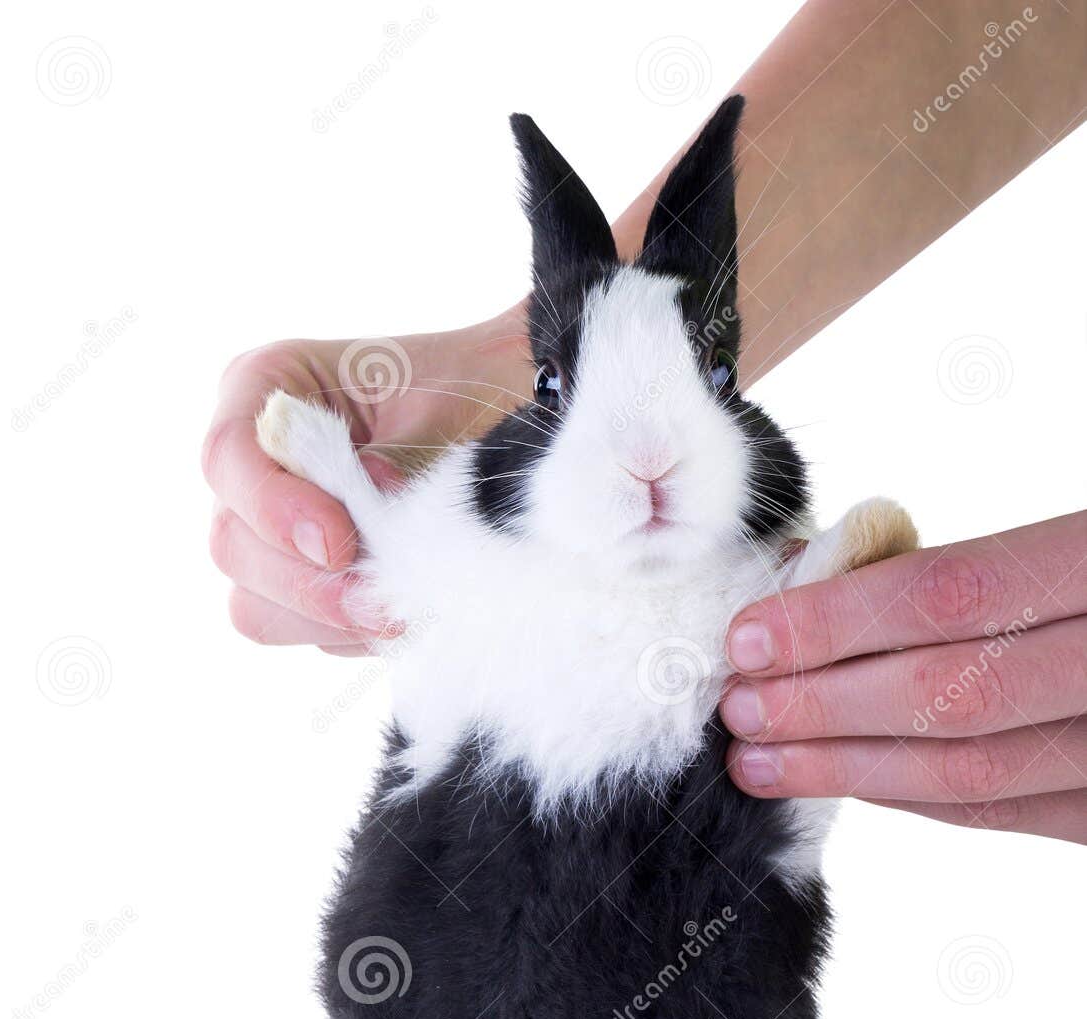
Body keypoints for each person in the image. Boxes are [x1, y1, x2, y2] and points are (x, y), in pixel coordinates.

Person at [202, 0, 1087, 844]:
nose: (649, 462)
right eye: (552, 384)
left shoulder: (741, 576)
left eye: (713, 372)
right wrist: (364, 499)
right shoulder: (485, 548)